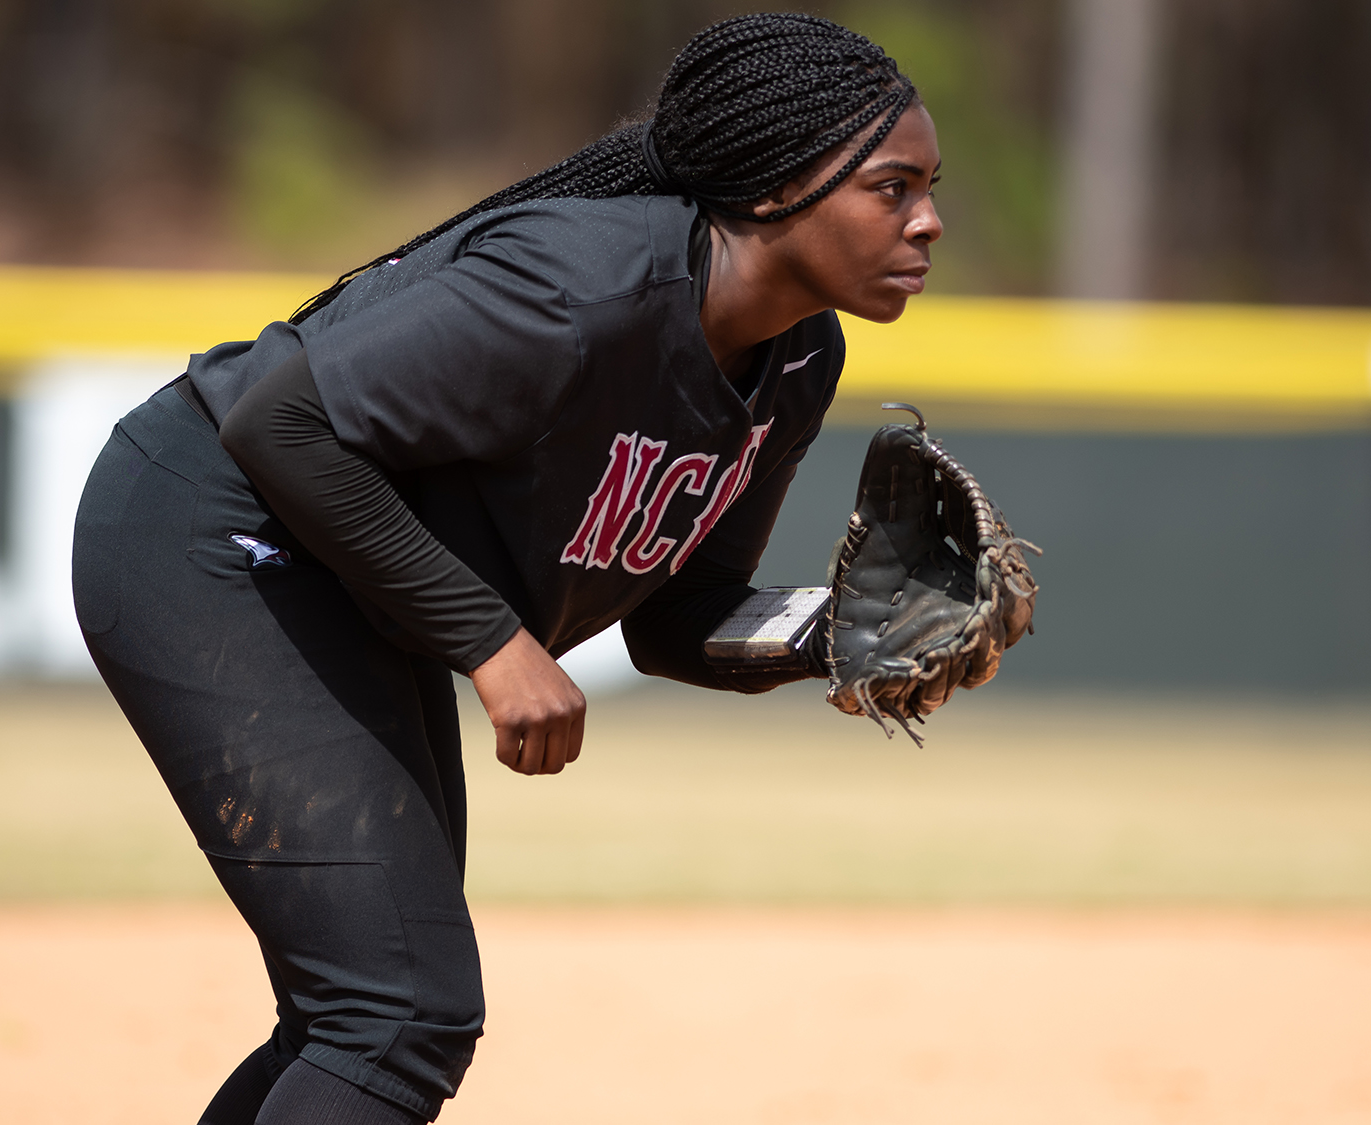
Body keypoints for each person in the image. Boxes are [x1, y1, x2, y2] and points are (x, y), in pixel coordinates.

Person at [71, 13, 941, 1124]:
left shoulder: (800, 358)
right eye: (891, 186)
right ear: (775, 188)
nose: (928, 219)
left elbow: (676, 619)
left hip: (342, 577)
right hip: (212, 526)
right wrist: (491, 643)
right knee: (395, 1015)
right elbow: (278, 428)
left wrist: (839, 633)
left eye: (927, 186)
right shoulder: (582, 289)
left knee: (362, 1015)